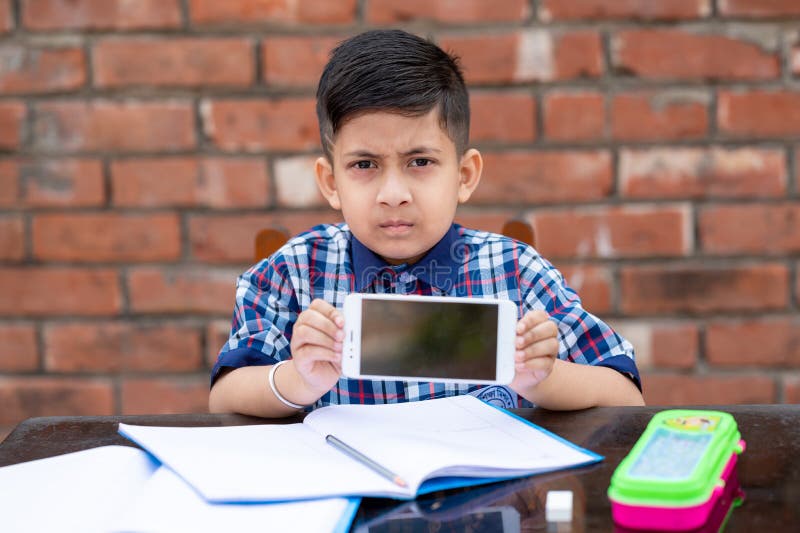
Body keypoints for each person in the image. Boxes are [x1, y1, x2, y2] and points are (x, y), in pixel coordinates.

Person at [209, 29, 644, 417]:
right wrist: (297, 381)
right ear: (331, 182)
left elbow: (627, 398)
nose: (393, 192)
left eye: (420, 161)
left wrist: (541, 380)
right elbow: (223, 398)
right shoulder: (294, 273)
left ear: (464, 176)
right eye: (364, 164)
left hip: (484, 501)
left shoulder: (517, 272)